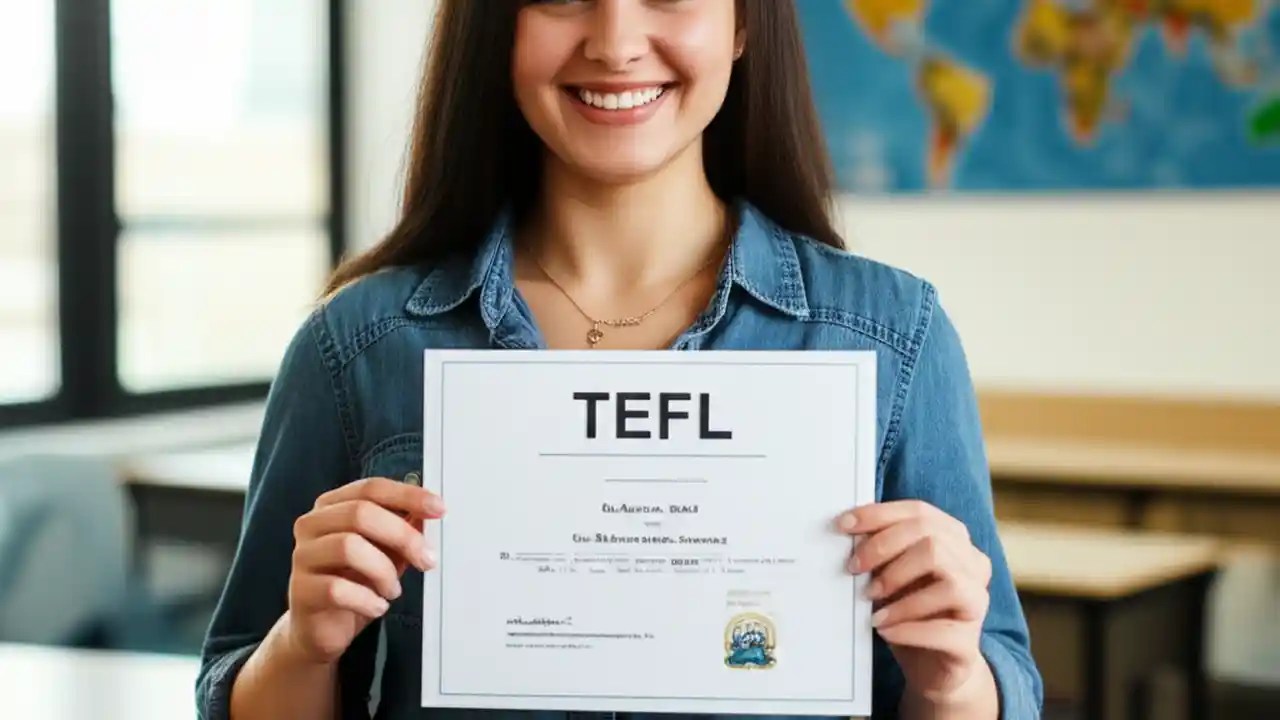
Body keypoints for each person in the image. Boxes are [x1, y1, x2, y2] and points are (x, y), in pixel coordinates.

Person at [196, 1, 1043, 718]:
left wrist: (953, 680)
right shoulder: (356, 345)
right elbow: (234, 684)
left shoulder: (892, 337)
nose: (614, 42)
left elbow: (998, 681)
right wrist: (303, 644)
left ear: (743, 24)